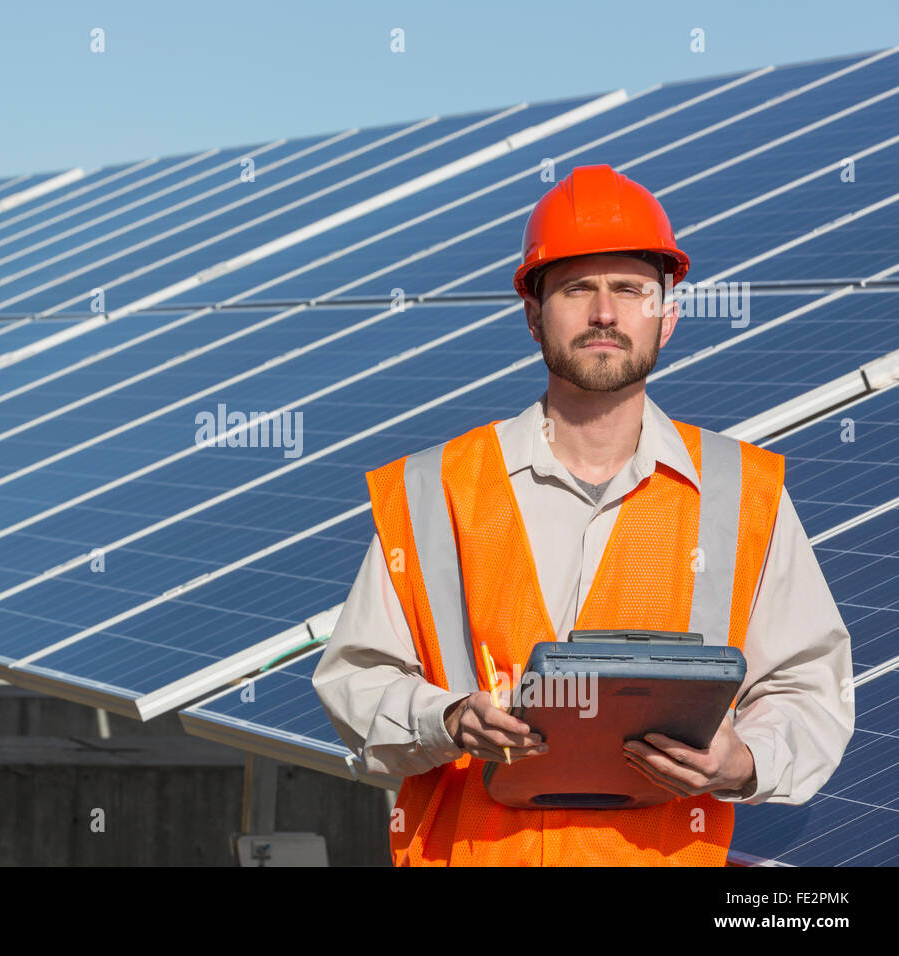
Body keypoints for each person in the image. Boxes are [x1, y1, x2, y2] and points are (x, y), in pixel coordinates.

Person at [312, 164, 854, 866]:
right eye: (577, 288)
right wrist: (445, 719)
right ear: (534, 315)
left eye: (630, 289)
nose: (605, 313)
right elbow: (356, 681)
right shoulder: (435, 490)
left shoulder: (742, 492)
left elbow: (810, 686)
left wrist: (743, 759)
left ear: (669, 312)